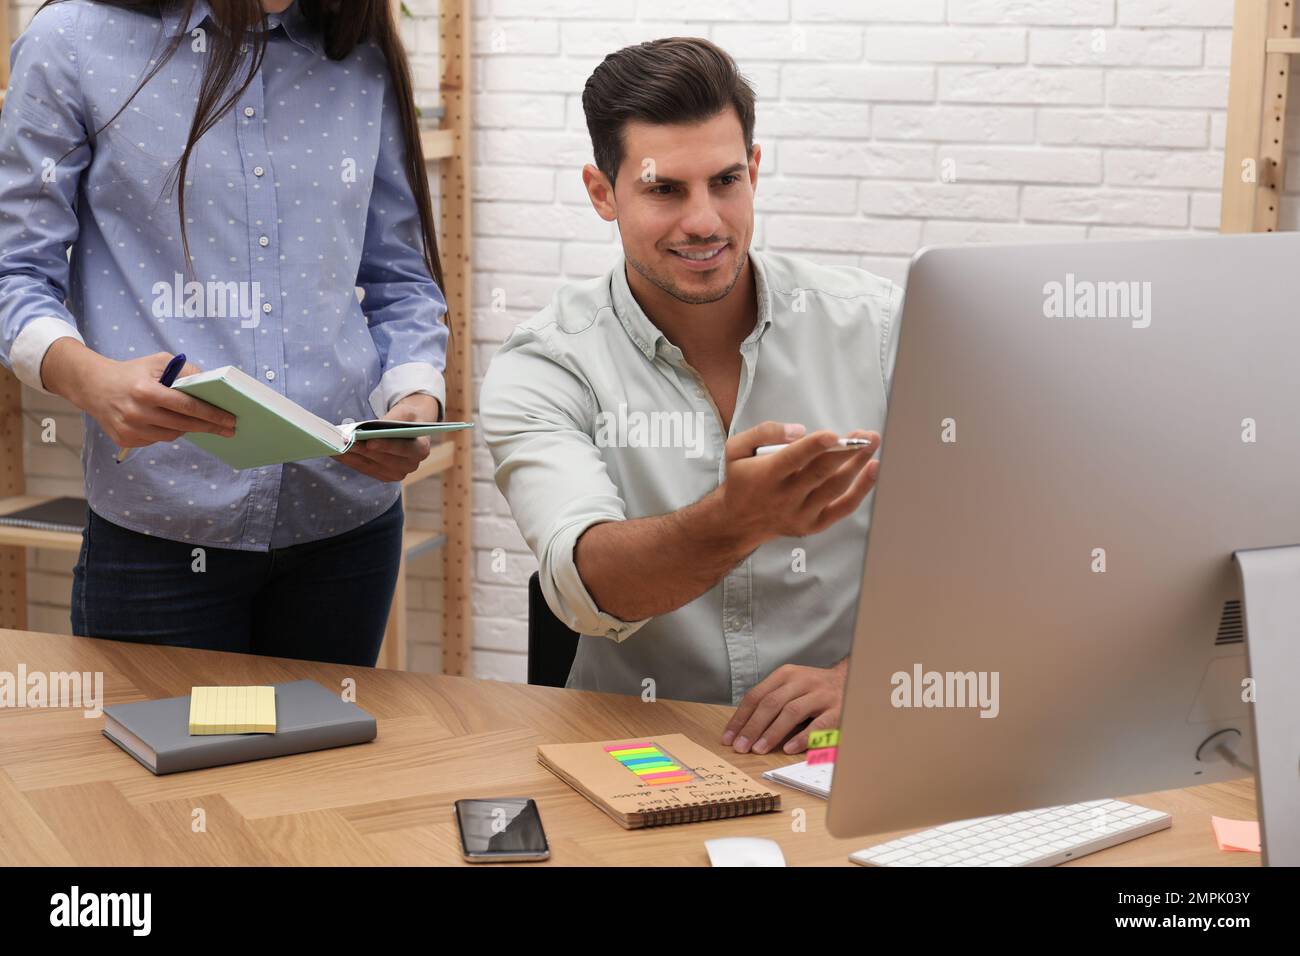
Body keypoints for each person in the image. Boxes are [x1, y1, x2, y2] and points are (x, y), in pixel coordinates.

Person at [480, 38, 902, 755]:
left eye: (725, 181)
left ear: (755, 172)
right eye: (665, 189)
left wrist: (870, 680)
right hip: (636, 747)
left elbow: (991, 549)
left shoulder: (881, 329)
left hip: (840, 746)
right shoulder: (547, 364)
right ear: (602, 192)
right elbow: (584, 583)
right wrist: (736, 520)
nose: (704, 220)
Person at [0, 0, 448, 664]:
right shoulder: (71, 41)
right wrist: (91, 380)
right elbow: (14, 268)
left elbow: (400, 275)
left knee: (317, 768)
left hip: (348, 527)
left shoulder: (358, 53)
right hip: (160, 527)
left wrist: (415, 399)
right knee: (167, 766)